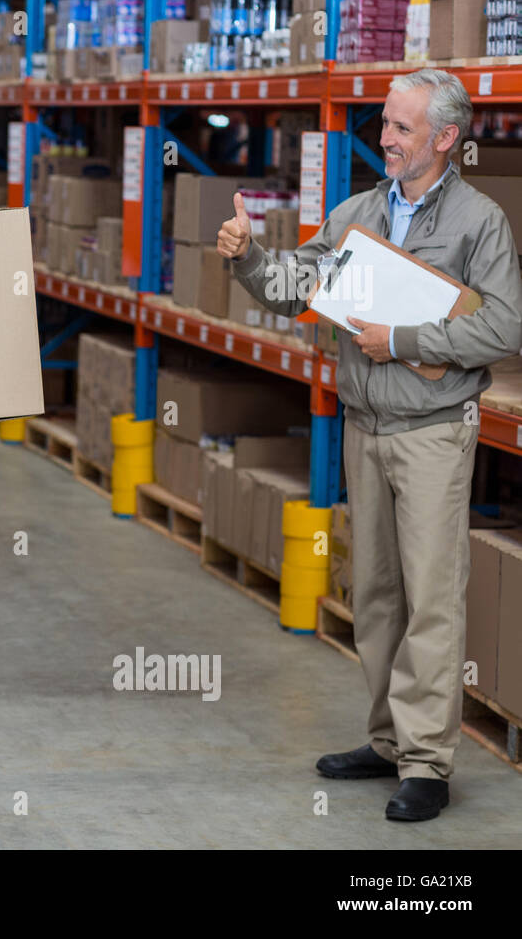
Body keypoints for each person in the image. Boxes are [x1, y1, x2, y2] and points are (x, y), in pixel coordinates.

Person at [216, 69, 522, 821]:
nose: (384, 137)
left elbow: (506, 327)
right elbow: (300, 286)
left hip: (432, 434)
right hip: (365, 427)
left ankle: (427, 762)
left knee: (432, 599)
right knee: (376, 595)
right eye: (384, 123)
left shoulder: (479, 223)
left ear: (445, 139)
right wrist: (250, 257)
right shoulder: (359, 214)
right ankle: (387, 741)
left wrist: (405, 338)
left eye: (401, 127)